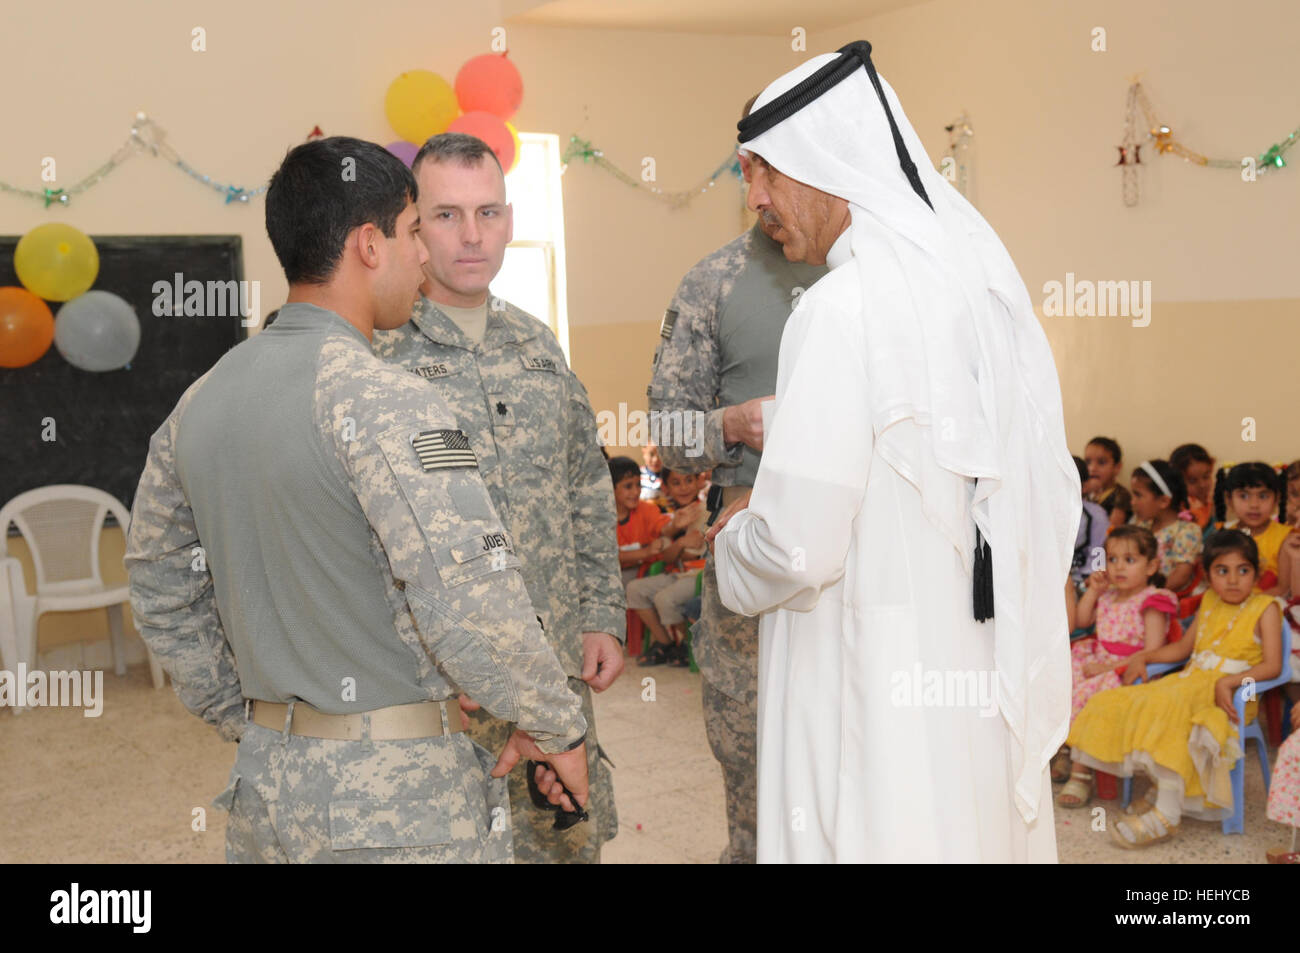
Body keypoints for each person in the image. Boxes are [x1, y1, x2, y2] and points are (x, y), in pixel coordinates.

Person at [125, 136, 587, 863]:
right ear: (370, 244)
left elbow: (157, 582)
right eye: (413, 232)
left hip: (267, 790)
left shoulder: (200, 401)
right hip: (399, 807)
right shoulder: (390, 400)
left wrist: (247, 717)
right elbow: (471, 595)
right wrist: (558, 725)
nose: (425, 255)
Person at [709, 42, 1079, 863]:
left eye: (766, 172)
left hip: (867, 686)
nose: (755, 199)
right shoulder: (971, 289)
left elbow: (795, 551)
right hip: (970, 669)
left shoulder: (840, 310)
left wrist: (731, 538)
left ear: (827, 162)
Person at [371, 132, 624, 864]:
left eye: (489, 212)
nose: (472, 235)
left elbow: (585, 484)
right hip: (441, 690)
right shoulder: (379, 354)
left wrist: (604, 613)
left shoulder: (538, 344)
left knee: (564, 841)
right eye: (447, 215)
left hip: (551, 670)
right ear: (412, 226)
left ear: (511, 219)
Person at [647, 92, 827, 863]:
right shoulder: (716, 281)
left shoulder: (889, 271)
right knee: (754, 766)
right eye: (747, 168)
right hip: (751, 569)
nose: (758, 190)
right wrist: (733, 425)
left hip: (872, 570)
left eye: (773, 167)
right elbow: (665, 436)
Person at [1067, 531, 1284, 848]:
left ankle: (1166, 815)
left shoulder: (1266, 607)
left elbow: (1274, 667)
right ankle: (1164, 783)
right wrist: (1143, 657)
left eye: (1243, 570)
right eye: (1222, 571)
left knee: (1170, 706)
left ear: (1256, 570)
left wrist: (1228, 681)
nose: (1233, 580)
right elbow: (1183, 649)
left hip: (1234, 695)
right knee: (1123, 699)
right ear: (1208, 576)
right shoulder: (1210, 601)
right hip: (1190, 682)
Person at [1054, 526, 1177, 807]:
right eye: (1112, 559)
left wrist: (1109, 668)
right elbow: (1084, 620)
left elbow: (1153, 651)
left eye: (1130, 560)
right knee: (1063, 676)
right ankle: (1064, 746)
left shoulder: (1153, 600)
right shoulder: (1109, 595)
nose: (1119, 567)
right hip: (1099, 657)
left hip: (1129, 670)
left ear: (1152, 566)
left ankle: (1081, 773)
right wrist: (1094, 592)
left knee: (1093, 692)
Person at [628, 469, 708, 667]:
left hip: (699, 575)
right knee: (634, 589)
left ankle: (691, 647)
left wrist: (678, 548)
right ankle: (668, 643)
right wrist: (680, 543)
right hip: (677, 573)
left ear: (699, 481)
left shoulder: (705, 511)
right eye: (676, 483)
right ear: (666, 487)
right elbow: (667, 556)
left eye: (689, 480)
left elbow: (694, 553)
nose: (683, 488)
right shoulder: (670, 517)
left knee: (664, 599)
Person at [1213, 461, 1293, 596]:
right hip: (1229, 602)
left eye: (1263, 496)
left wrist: (1248, 607)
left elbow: (1283, 589)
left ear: (1276, 499)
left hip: (1267, 604)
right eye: (1244, 496)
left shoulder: (1285, 538)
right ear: (1229, 499)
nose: (1254, 505)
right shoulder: (1224, 536)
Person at [1129, 458, 1202, 595]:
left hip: (1162, 598)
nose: (1132, 502)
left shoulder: (1186, 531)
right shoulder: (1140, 525)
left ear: (1163, 501)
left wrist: (1150, 594)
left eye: (1138, 495)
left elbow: (1181, 576)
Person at [611, 455, 671, 583]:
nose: (636, 492)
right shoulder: (602, 519)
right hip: (615, 574)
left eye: (638, 485)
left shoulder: (647, 510)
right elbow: (610, 555)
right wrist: (646, 552)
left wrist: (676, 524)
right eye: (628, 486)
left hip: (648, 571)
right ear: (611, 488)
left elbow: (664, 529)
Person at [1070, 455, 1110, 591]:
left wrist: (1090, 580)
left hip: (1082, 582)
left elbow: (1099, 553)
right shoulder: (1038, 512)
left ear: (1084, 487)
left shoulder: (1096, 516)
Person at [1084, 436, 1132, 529]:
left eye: (1101, 462)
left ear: (1117, 467)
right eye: (1088, 462)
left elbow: (1111, 529)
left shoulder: (1121, 495)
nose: (1092, 468)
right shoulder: (1085, 492)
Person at [1170, 443, 1216, 531]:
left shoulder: (1210, 500)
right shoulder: (1183, 508)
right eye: (1192, 481)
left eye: (1206, 477)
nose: (1202, 485)